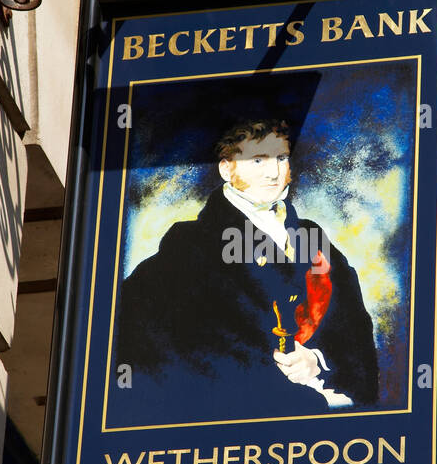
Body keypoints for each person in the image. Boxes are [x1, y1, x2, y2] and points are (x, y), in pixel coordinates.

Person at [114, 118, 378, 422]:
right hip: (247, 419)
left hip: (330, 414)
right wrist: (307, 401)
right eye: (257, 160)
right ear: (227, 169)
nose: (273, 172)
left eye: (281, 158)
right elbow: (202, 351)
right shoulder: (190, 243)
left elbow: (353, 326)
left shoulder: (312, 236)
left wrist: (317, 359)